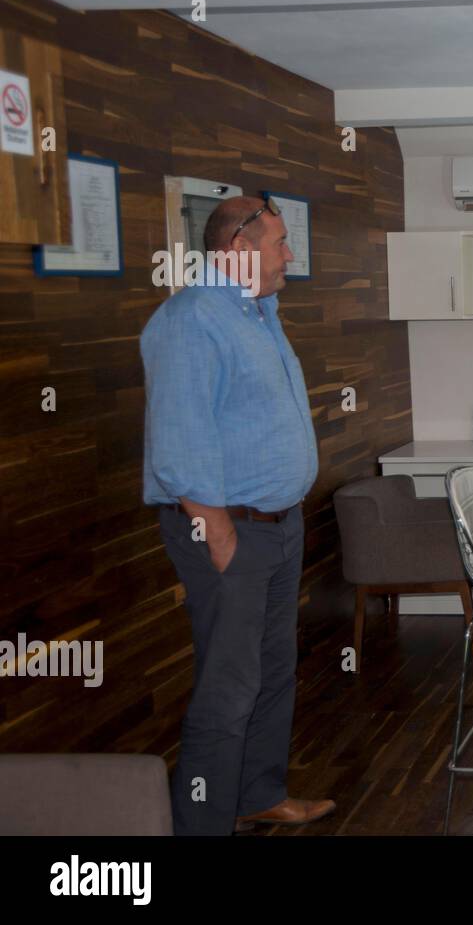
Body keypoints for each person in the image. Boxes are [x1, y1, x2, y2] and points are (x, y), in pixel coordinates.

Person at [141, 196, 335, 834]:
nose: (290, 255)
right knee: (229, 687)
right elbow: (178, 444)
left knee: (273, 671)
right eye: (280, 243)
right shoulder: (191, 319)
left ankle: (256, 795)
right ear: (238, 249)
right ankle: (202, 824)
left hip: (277, 526)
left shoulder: (258, 313)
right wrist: (221, 539)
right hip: (227, 531)